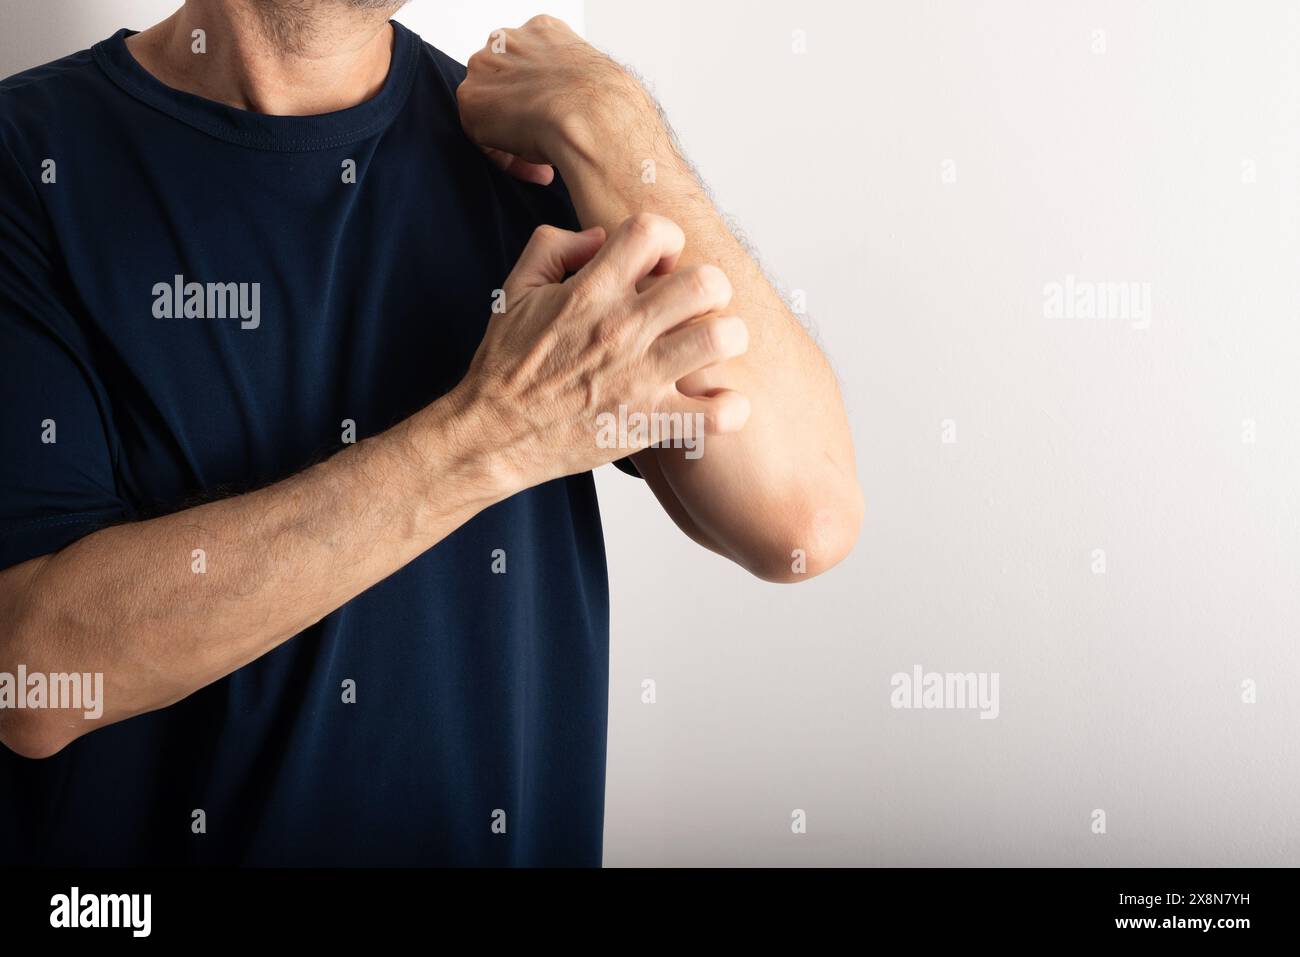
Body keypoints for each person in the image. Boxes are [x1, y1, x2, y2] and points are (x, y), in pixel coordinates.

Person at [0, 1, 862, 865]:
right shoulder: (28, 157)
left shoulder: (537, 149)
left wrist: (610, 115)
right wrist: (492, 435)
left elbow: (803, 517)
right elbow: (28, 674)